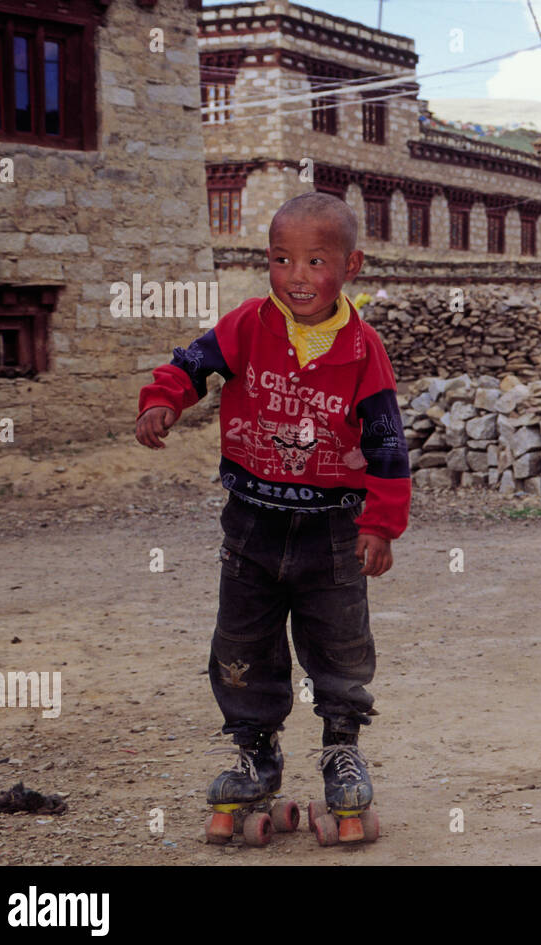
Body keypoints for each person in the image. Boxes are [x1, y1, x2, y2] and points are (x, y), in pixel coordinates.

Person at [135, 192, 410, 842]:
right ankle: (256, 754)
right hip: (251, 526)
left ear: (353, 265)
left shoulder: (364, 351)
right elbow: (191, 365)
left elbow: (388, 445)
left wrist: (381, 524)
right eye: (282, 259)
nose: (297, 276)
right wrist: (164, 401)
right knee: (241, 646)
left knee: (340, 648)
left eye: (316, 261)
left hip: (335, 533)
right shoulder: (248, 326)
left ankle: (342, 749)